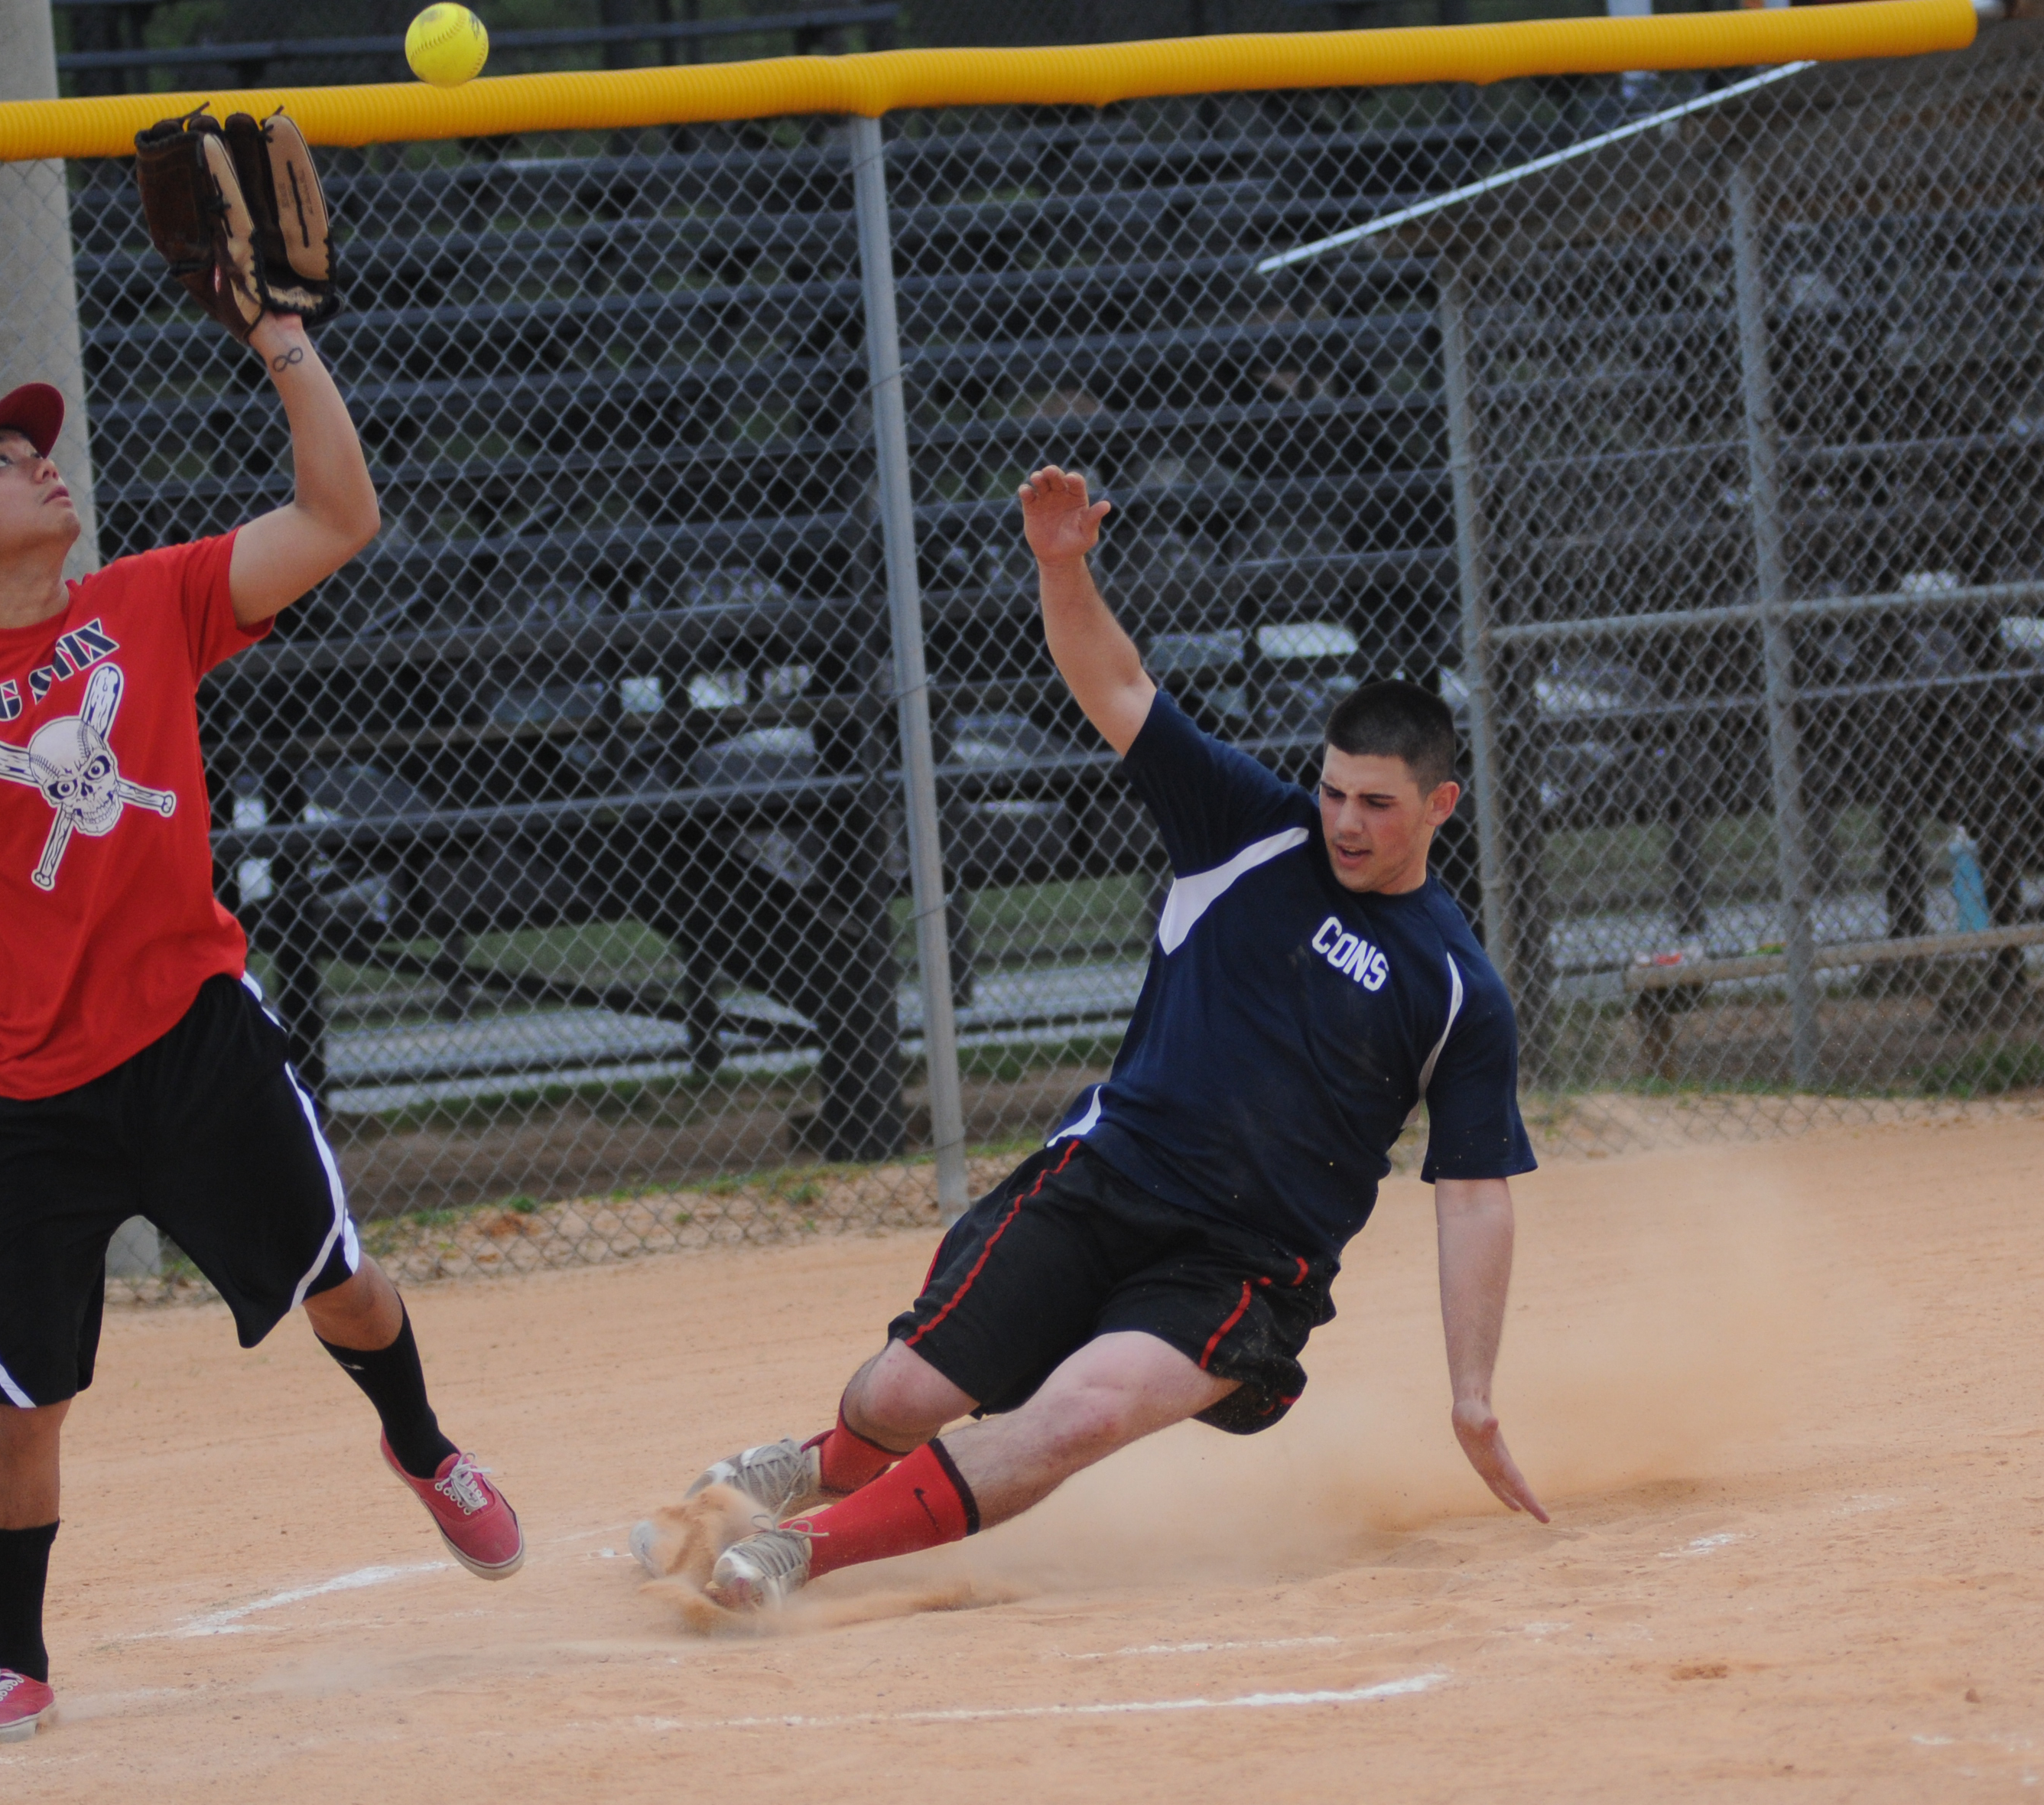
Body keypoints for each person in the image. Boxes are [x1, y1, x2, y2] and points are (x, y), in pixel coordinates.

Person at [0, 311, 522, 1746]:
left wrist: (281, 339)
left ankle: (421, 1447)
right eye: (0, 464)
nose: (41, 466)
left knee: (340, 1288)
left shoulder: (149, 600)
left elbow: (340, 514)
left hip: (196, 1040)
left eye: (38, 449)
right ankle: (18, 1660)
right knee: (19, 1405)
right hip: (35, 1100)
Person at [662, 465, 1548, 1612]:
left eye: (1378, 804)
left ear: (1441, 806)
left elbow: (1475, 1194)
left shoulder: (1457, 987)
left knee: (1074, 1418)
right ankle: (822, 1466)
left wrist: (1470, 1395)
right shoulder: (1248, 829)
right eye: (1333, 791)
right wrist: (1061, 564)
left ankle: (804, 1551)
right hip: (1107, 1182)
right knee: (899, 1399)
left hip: (1241, 1265)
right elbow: (1117, 683)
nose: (1344, 821)